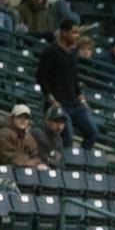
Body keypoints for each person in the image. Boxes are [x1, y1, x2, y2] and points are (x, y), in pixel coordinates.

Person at [36, 20, 98, 150]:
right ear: (64, 33)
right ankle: (65, 165)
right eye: (74, 33)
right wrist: (51, 99)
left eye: (78, 33)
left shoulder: (73, 52)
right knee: (68, 140)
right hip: (59, 103)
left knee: (92, 132)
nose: (77, 36)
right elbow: (40, 77)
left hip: (74, 102)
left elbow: (74, 77)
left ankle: (80, 160)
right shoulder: (50, 52)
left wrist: (80, 96)